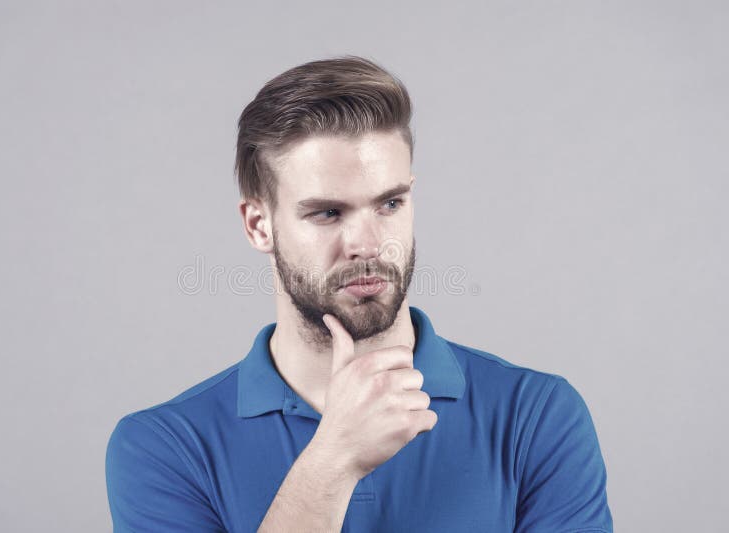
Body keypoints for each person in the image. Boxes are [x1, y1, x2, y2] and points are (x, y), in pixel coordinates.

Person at [105, 56, 613, 533]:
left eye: (390, 203)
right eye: (328, 213)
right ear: (260, 225)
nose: (368, 244)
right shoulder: (163, 447)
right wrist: (332, 462)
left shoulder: (537, 417)